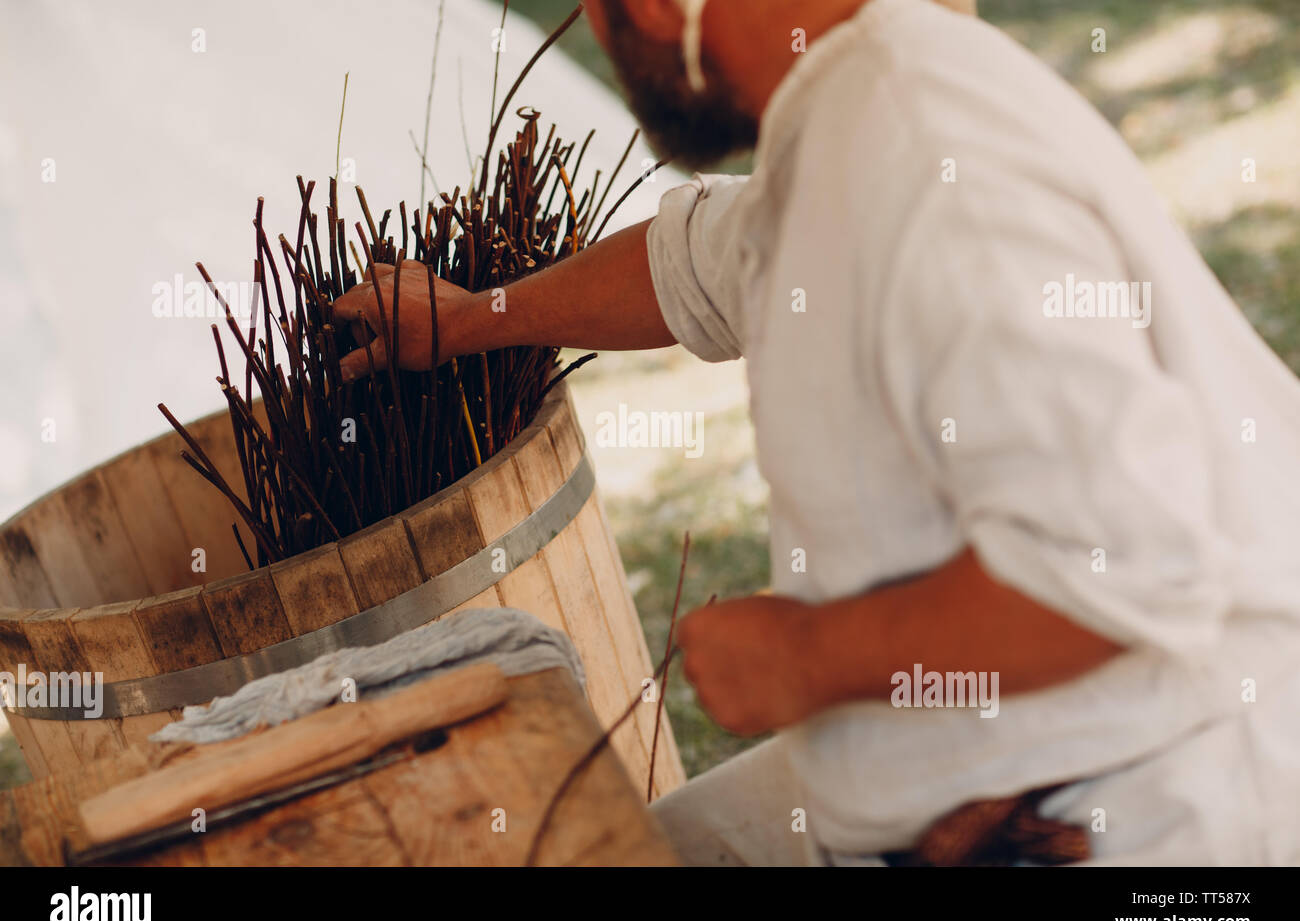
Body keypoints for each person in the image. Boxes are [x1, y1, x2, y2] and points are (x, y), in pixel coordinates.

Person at [334, 0, 1300, 865]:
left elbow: (1119, 566)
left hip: (1140, 811)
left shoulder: (920, 143)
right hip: (999, 767)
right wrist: (469, 321)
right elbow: (698, 266)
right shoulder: (852, 109)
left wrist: (802, 656)